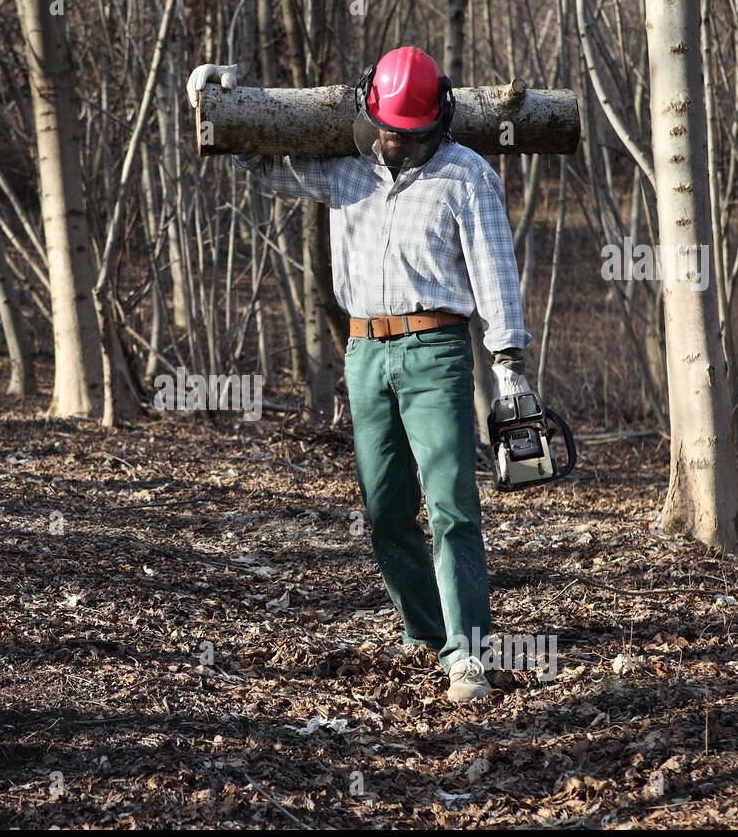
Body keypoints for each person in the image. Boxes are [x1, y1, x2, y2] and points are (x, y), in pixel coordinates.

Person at [187, 46, 535, 701]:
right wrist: (219, 104)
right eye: (387, 129)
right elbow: (262, 166)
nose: (396, 141)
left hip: (436, 350)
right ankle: (424, 636)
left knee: (451, 505)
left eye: (410, 132)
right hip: (364, 352)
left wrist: (509, 364)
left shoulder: (467, 176)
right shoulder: (345, 169)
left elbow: (496, 275)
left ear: (438, 119)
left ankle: (468, 653)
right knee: (384, 510)